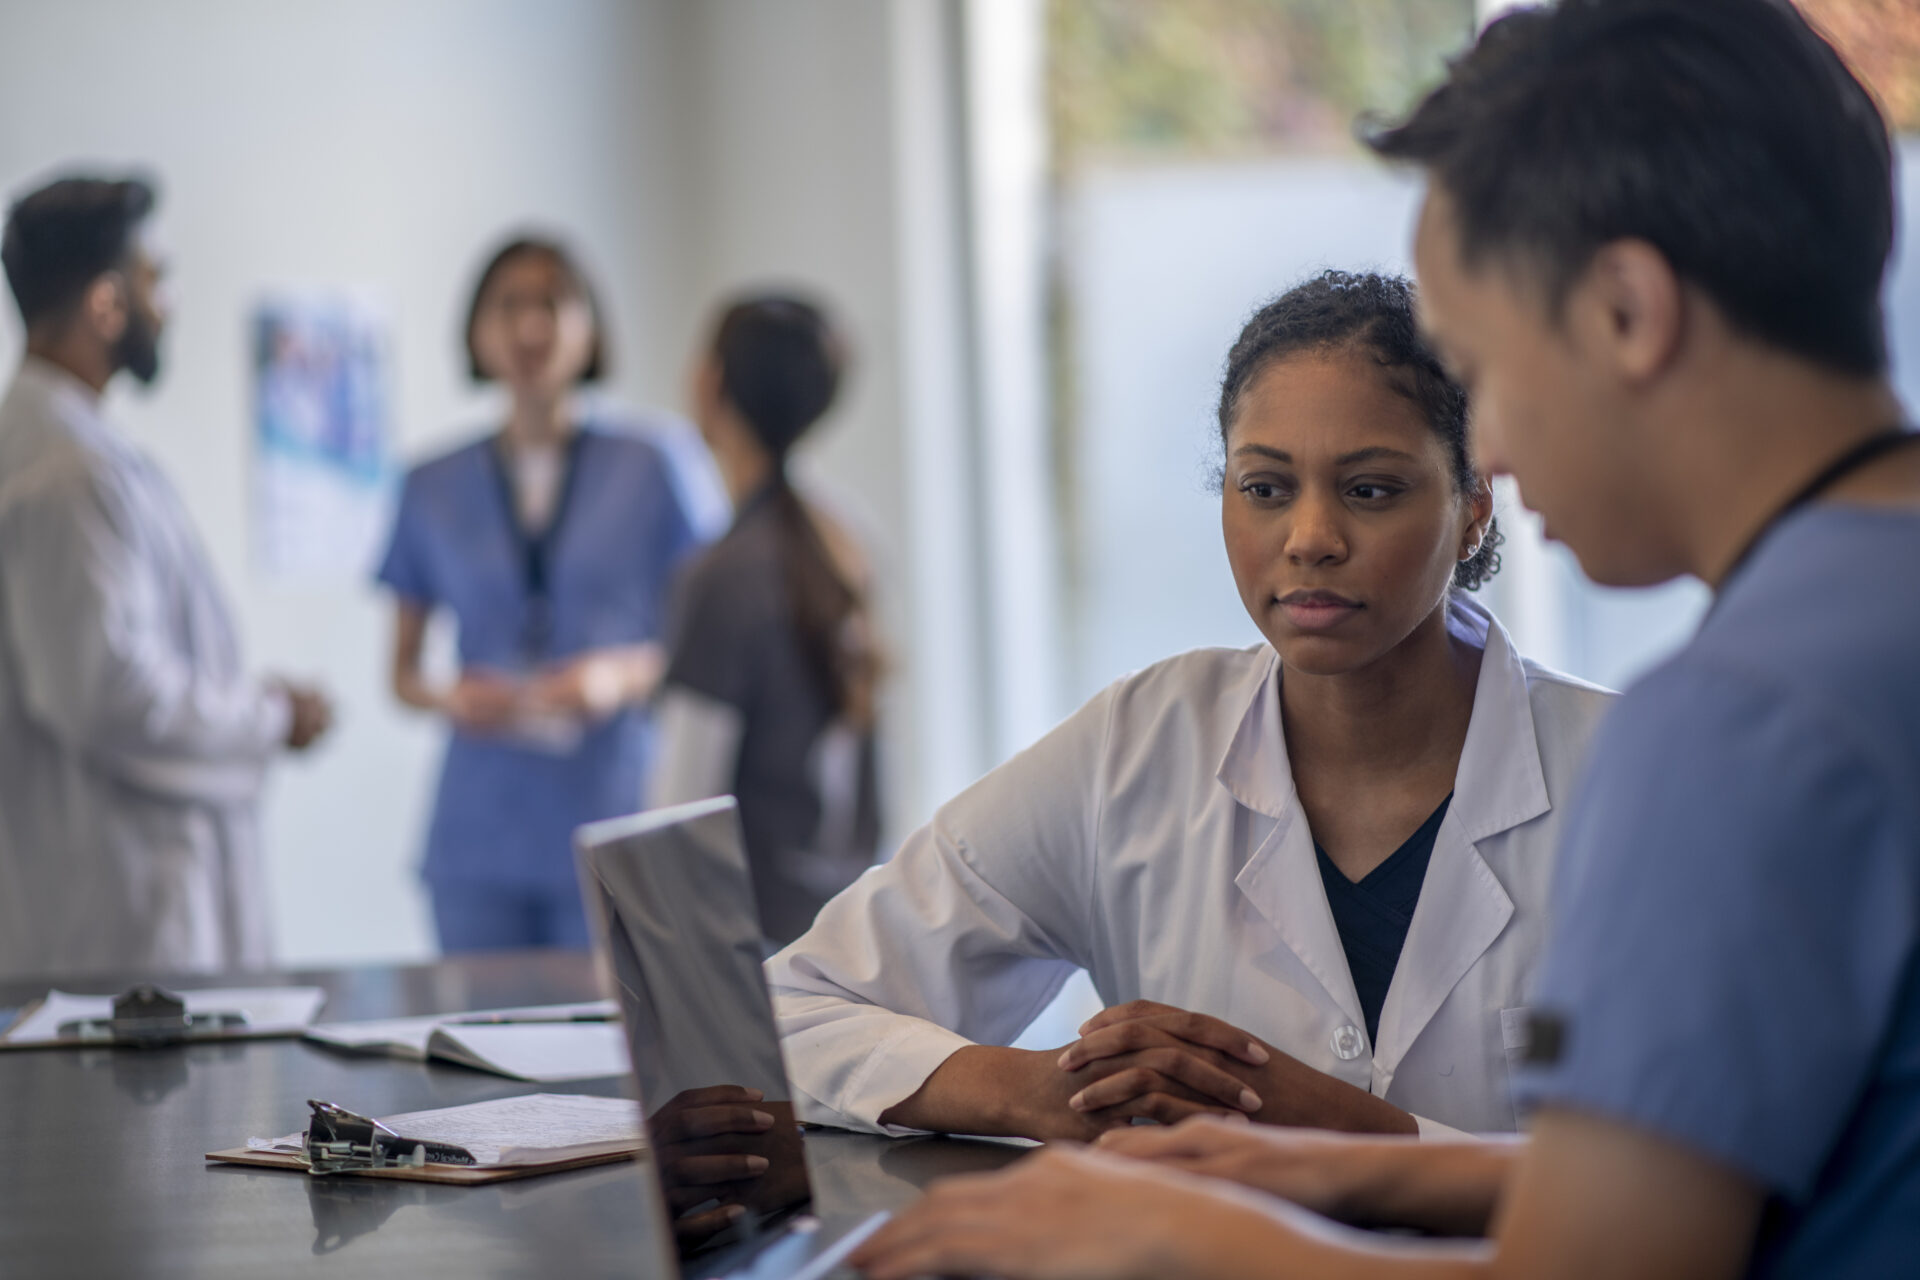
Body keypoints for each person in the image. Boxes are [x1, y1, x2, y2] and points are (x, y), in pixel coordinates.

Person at [849, 2, 1920, 1278]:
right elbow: (1771, 1161)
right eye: (1263, 485)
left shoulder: (1736, 718)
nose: (1504, 458)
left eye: (1489, 367)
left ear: (1628, 311)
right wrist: (1351, 1157)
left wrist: (1184, 1237)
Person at [769, 269, 1615, 1143]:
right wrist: (1051, 1093)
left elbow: (1711, 1192)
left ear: (1473, 510)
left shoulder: (1633, 776)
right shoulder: (1134, 749)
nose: (1310, 539)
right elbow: (795, 1009)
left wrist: (1357, 1135)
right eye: (1265, 488)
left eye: (1369, 490)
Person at [0, 175, 332, 979]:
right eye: (156, 278)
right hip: (119, 919)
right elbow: (110, 694)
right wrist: (268, 714)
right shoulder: (67, 471)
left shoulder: (64, 447)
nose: (169, 301)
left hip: (124, 907)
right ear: (106, 303)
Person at [376, 235, 702, 952]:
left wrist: (616, 676)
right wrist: (449, 696)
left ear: (590, 327)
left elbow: (699, 644)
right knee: (476, 1044)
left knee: (614, 1051)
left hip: (614, 808)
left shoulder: (655, 467)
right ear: (475, 332)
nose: (531, 328)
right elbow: (400, 675)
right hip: (478, 828)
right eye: (508, 305)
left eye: (553, 303)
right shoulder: (429, 485)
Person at [649, 293, 885, 947]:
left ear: (709, 384)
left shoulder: (723, 576)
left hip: (752, 949)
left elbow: (680, 818)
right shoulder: (849, 544)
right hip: (843, 930)